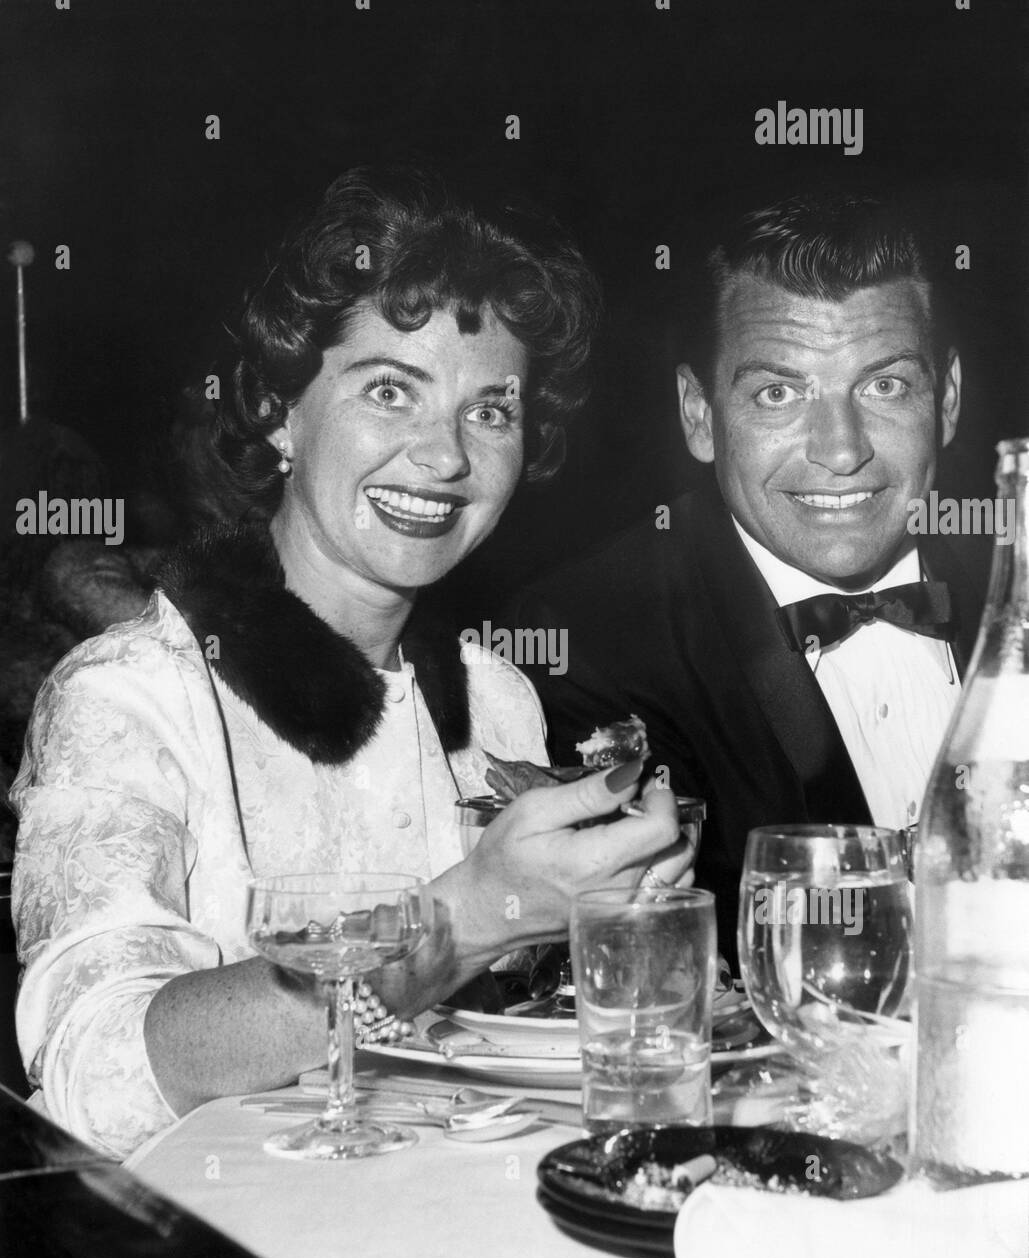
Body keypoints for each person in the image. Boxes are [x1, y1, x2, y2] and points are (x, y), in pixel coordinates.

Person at [11, 168, 688, 1158]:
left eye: (490, 409)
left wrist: (612, 916)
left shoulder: (495, 698)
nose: (445, 456)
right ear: (282, 412)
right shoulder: (128, 698)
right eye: (389, 391)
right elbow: (99, 1077)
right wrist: (466, 919)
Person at [508, 191, 990, 962]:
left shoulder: (1014, 592)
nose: (840, 451)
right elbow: (652, 966)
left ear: (948, 400)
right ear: (699, 416)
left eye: (884, 385)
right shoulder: (595, 638)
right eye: (778, 393)